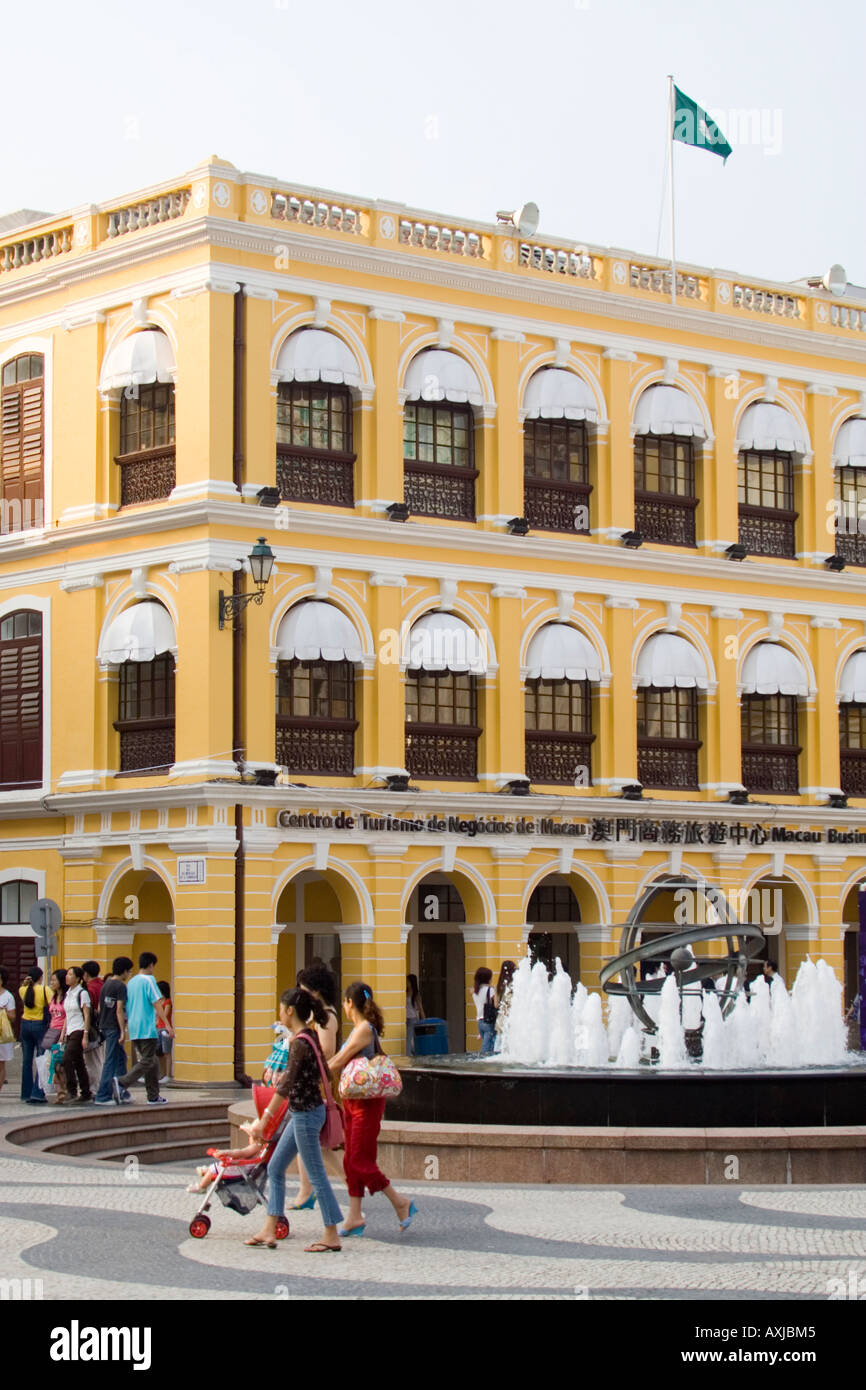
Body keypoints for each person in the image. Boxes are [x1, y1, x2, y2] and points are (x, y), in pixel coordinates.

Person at [245, 988, 344, 1253]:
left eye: (281, 1007)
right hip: (304, 1113)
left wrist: (264, 1120)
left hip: (306, 1115)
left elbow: (285, 1084)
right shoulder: (308, 1037)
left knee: (316, 1174)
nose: (279, 1012)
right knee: (276, 1168)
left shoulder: (300, 1042)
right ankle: (269, 1229)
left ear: (290, 1011)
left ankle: (332, 1233)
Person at [328, 981, 417, 1238]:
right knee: (349, 1160)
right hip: (353, 1100)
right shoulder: (359, 1028)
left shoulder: (364, 1029)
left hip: (366, 1104)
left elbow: (339, 1061)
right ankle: (354, 1216)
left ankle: (401, 1202)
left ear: (348, 1003)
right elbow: (337, 1061)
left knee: (360, 1160)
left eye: (344, 1003)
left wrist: (315, 1070)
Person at [288, 964, 342, 1210]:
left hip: (319, 1084)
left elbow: (327, 1050)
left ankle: (343, 1184)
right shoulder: (319, 1014)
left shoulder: (327, 1016)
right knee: (311, 1143)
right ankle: (306, 1191)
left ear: (317, 991)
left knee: (314, 1143)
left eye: (305, 989)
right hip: (314, 1083)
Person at [112, 952, 173, 1106]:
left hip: (134, 1027)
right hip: (146, 1026)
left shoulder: (131, 982)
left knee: (153, 1062)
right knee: (147, 1060)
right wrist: (167, 1024)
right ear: (151, 965)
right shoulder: (149, 980)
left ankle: (153, 1096)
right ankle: (121, 1082)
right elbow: (157, 1003)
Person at [94, 957, 133, 1106]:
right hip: (114, 1027)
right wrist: (122, 1031)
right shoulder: (120, 987)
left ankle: (122, 1090)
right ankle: (103, 1095)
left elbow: (99, 1008)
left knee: (120, 1059)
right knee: (110, 1061)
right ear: (124, 971)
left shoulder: (106, 984)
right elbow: (119, 1010)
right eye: (129, 971)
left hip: (105, 1025)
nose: (129, 974)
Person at [18, 966, 52, 1103]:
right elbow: (52, 1005)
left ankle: (25, 1093)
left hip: (25, 1024)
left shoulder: (22, 990)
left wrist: (24, 983)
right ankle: (37, 1093)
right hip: (39, 1026)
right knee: (41, 1059)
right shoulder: (45, 990)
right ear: (40, 977)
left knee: (26, 1061)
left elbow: (23, 989)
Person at [61, 966, 93, 1104]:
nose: (67, 977)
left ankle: (72, 1090)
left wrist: (85, 1035)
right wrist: (63, 1032)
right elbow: (67, 1015)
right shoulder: (68, 993)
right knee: (78, 1062)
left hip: (79, 1030)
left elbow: (87, 1015)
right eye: (67, 974)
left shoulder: (82, 993)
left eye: (70, 974)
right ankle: (86, 1092)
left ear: (78, 978)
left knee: (67, 1058)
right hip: (70, 1031)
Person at [42, 970, 69, 1104]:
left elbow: (67, 1017)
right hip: (52, 1032)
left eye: (54, 980)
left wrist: (63, 1035)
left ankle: (63, 1092)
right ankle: (60, 1092)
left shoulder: (67, 998)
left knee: (59, 1064)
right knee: (52, 1064)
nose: (51, 982)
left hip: (62, 1034)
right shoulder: (53, 997)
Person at [82, 960, 104, 1092]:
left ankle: (95, 1088)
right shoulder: (103, 985)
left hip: (94, 1028)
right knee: (101, 1059)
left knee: (92, 1061)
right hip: (105, 1027)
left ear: (85, 974)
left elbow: (89, 1012)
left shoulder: (90, 989)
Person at [472, 966, 496, 1055]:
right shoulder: (490, 990)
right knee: (487, 1050)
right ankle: (482, 1066)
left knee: (487, 1046)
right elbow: (496, 1004)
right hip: (488, 1021)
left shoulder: (475, 991)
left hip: (480, 1022)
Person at [493, 960, 516, 1052]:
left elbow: (495, 1005)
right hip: (511, 1017)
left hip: (501, 1018)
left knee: (499, 1043)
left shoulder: (498, 986)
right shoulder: (514, 985)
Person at [0, 967, 16, 1095]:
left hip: (2, 1034)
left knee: (1, 1064)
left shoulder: (8, 996)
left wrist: (4, 1011)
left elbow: (13, 1017)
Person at [156, 981, 173, 1079]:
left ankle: (168, 1074)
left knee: (167, 1052)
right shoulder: (159, 1001)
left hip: (165, 1028)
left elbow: (164, 1015)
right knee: (159, 1052)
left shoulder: (167, 1001)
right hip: (158, 1028)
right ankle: (162, 1073)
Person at [406, 974, 425, 1056]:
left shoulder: (416, 995)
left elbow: (420, 1009)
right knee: (409, 1040)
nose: (406, 983)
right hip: (406, 1019)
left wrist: (424, 1021)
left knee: (408, 1039)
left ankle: (409, 1055)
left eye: (408, 981)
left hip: (412, 1019)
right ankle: (414, 1054)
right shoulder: (405, 992)